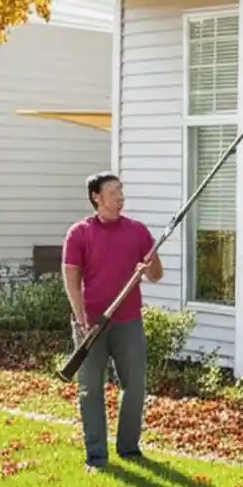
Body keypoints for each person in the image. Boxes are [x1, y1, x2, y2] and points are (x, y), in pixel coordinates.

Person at [61, 171, 163, 469]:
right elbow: (71, 276)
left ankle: (129, 448)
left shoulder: (137, 231)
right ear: (97, 197)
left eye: (121, 190)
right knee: (91, 389)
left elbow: (157, 275)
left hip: (128, 321)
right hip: (91, 323)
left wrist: (149, 265)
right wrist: (80, 318)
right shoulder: (79, 233)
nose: (120, 196)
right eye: (114, 191)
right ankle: (96, 456)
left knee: (135, 386)